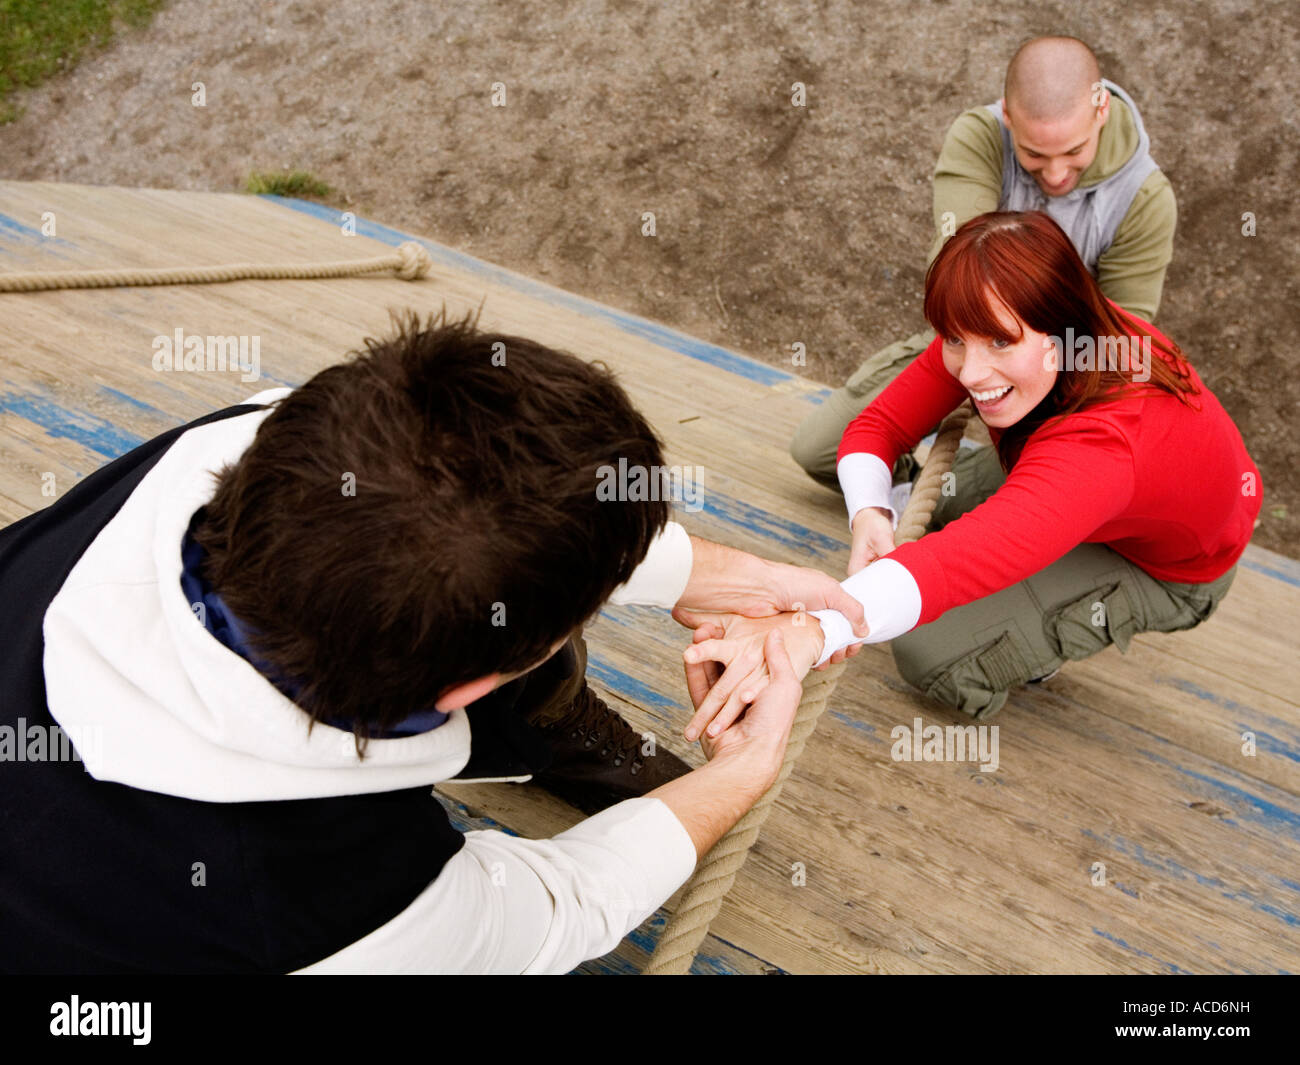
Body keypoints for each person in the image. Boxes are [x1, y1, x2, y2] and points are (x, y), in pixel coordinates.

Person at [0, 312, 866, 974]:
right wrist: (742, 770)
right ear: (461, 692)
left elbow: (457, 509)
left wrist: (716, 574)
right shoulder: (344, 909)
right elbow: (561, 903)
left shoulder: (266, 438)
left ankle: (542, 739)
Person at [678, 211, 1261, 730]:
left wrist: (806, 633)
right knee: (935, 531)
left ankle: (1030, 647)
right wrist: (869, 514)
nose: (972, 372)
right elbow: (876, 428)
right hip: (1072, 477)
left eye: (1000, 344)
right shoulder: (1008, 321)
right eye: (955, 338)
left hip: (1167, 566)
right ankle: (1007, 551)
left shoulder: (1105, 443)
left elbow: (942, 570)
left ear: (1061, 329)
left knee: (930, 654)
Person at [790, 35, 1177, 487]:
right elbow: (957, 268)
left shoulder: (1145, 199)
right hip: (971, 339)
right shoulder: (981, 136)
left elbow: (1120, 336)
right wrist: (985, 363)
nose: (1055, 175)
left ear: (1101, 112)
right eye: (1034, 154)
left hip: (1067, 373)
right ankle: (916, 485)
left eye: (1074, 152)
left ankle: (957, 492)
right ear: (1009, 117)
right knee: (824, 451)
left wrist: (1025, 376)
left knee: (1000, 506)